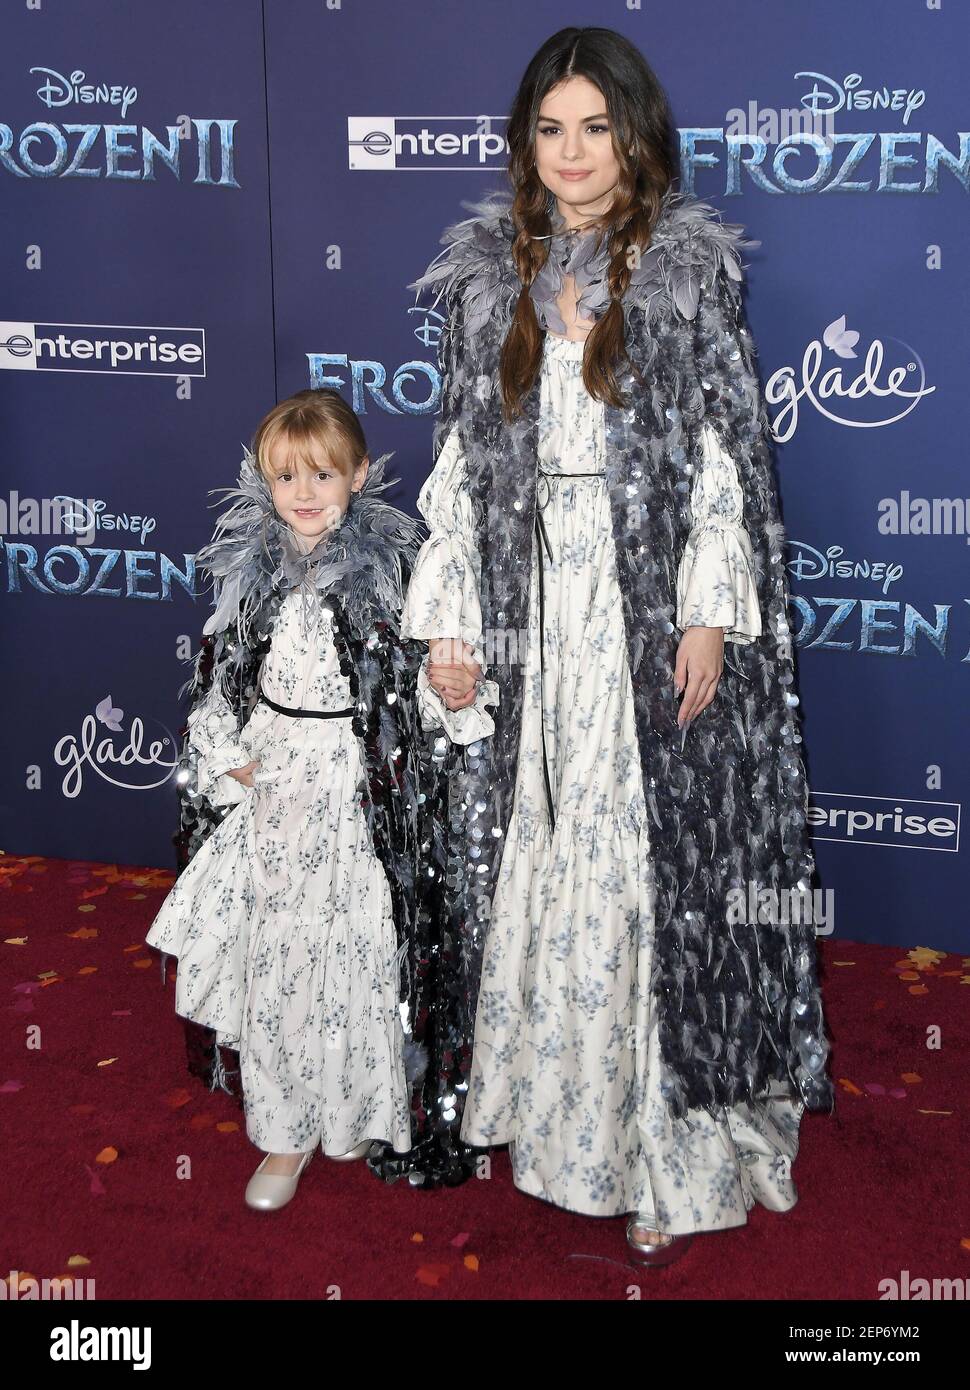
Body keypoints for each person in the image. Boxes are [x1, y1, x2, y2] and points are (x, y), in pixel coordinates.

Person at [399, 26, 835, 1266]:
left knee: (653, 862)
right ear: (524, 143)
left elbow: (723, 465)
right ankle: (567, 1130)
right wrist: (455, 616)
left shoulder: (686, 272)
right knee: (553, 843)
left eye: (597, 127)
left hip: (646, 614)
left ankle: (668, 1148)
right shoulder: (490, 278)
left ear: (637, 137)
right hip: (539, 618)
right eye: (551, 128)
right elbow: (457, 470)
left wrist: (706, 612)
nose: (574, 153)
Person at [146, 388, 473, 1208]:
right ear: (263, 478)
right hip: (276, 792)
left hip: (360, 798)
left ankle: (357, 1106)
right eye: (287, 475)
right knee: (282, 961)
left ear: (359, 475)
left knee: (361, 959)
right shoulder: (247, 576)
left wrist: (455, 693)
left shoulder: (396, 576)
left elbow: (419, 691)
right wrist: (229, 759)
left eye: (322, 475)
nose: (304, 493)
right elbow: (218, 686)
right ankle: (286, 1135)